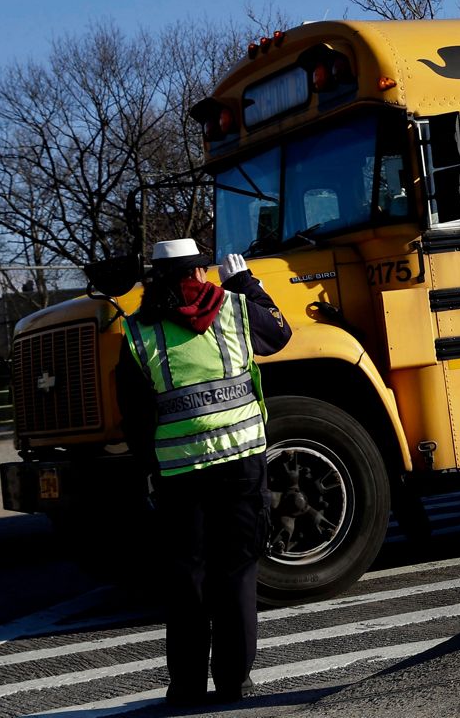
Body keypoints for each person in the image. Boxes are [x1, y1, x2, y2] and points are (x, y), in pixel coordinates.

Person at [116, 238, 291, 706]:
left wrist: (150, 468)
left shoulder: (138, 333)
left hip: (179, 473)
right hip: (242, 462)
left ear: (156, 278)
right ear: (198, 273)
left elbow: (134, 416)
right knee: (236, 571)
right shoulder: (233, 308)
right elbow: (280, 334)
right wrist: (247, 284)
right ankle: (234, 680)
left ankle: (187, 685)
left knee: (187, 576)